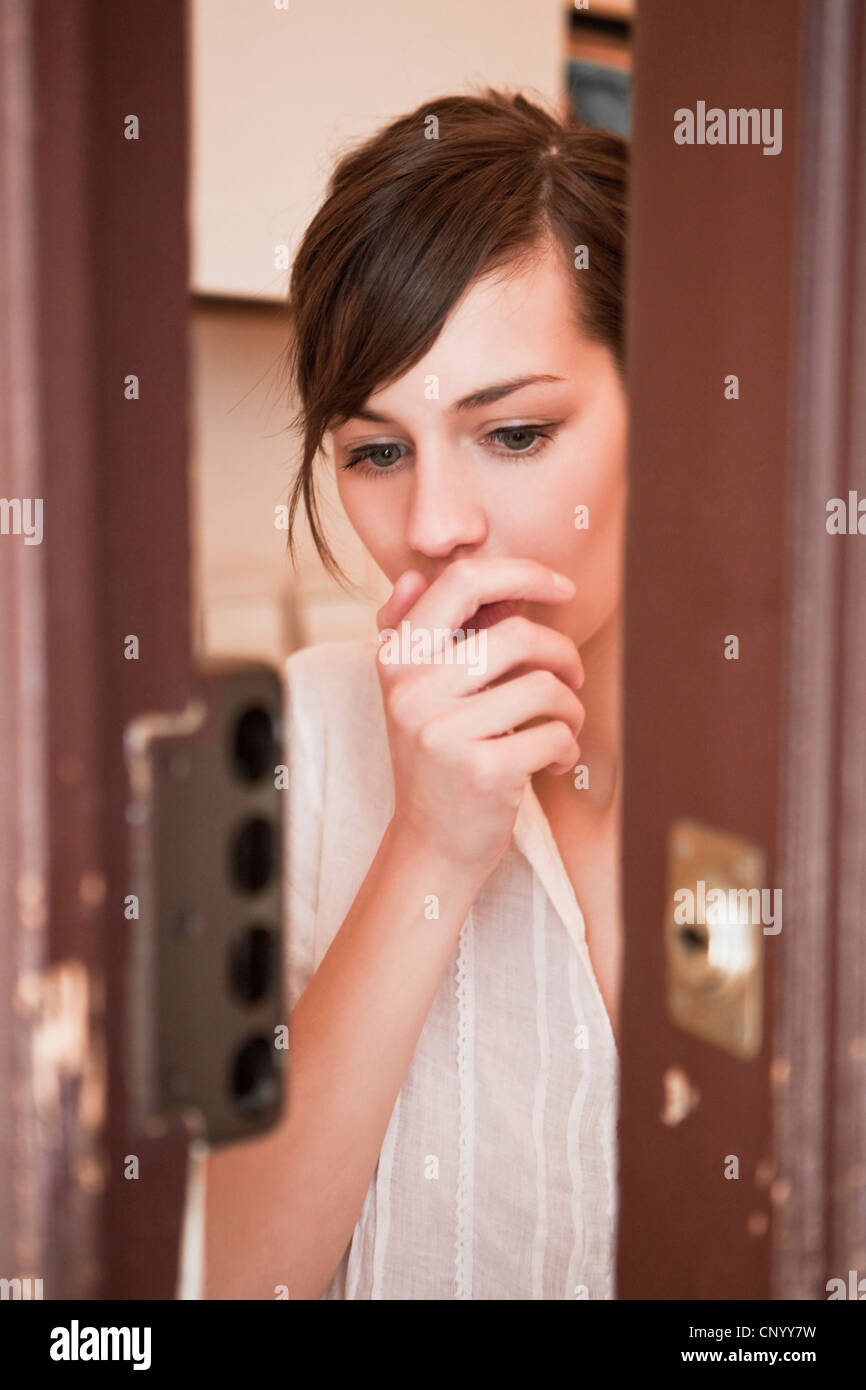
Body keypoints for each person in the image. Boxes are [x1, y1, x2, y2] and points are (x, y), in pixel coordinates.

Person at [204, 86, 628, 1301]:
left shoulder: (812, 749)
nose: (436, 527)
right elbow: (220, 1286)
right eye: (376, 454)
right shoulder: (288, 741)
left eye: (515, 432)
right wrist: (427, 854)